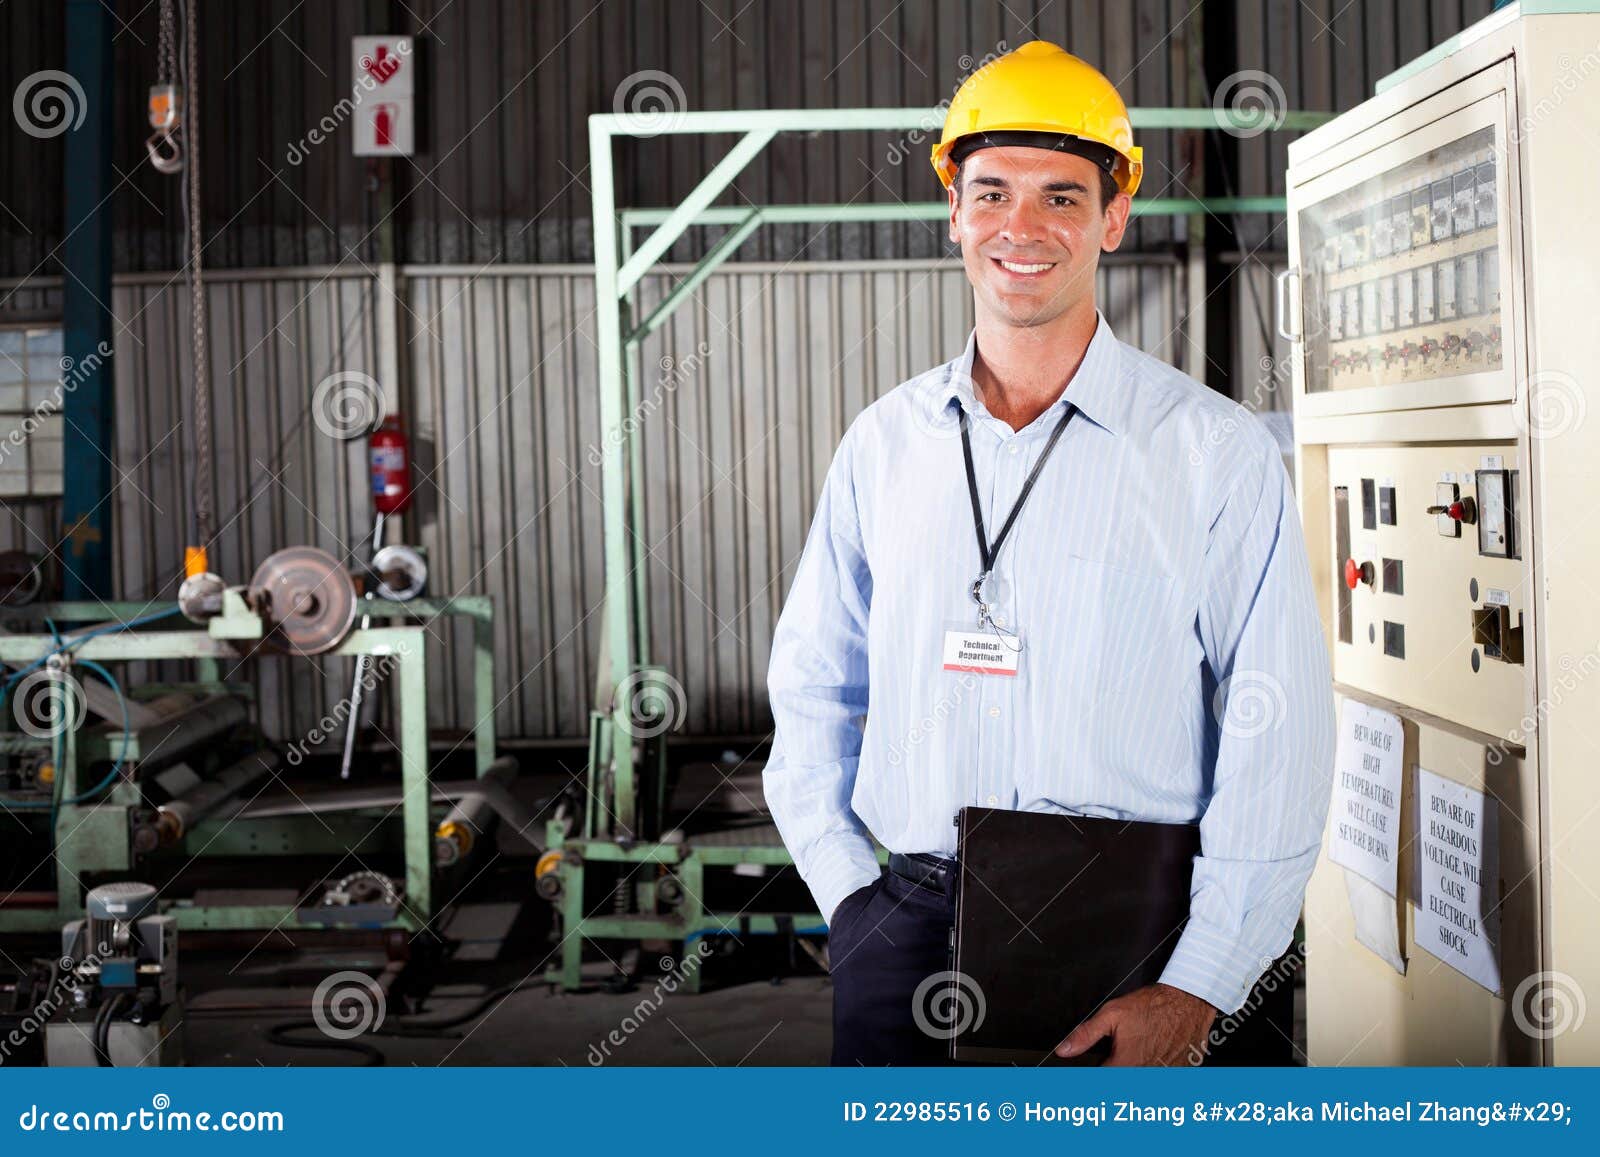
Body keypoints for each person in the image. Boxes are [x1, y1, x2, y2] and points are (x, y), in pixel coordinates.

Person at [762, 40, 1335, 1066]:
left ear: (1114, 217)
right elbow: (813, 685)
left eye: (1061, 197)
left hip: (1141, 925)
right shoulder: (885, 444)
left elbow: (1278, 731)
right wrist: (852, 897)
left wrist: (1201, 978)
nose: (1020, 228)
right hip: (911, 922)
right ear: (953, 211)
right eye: (991, 193)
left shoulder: (1213, 454)